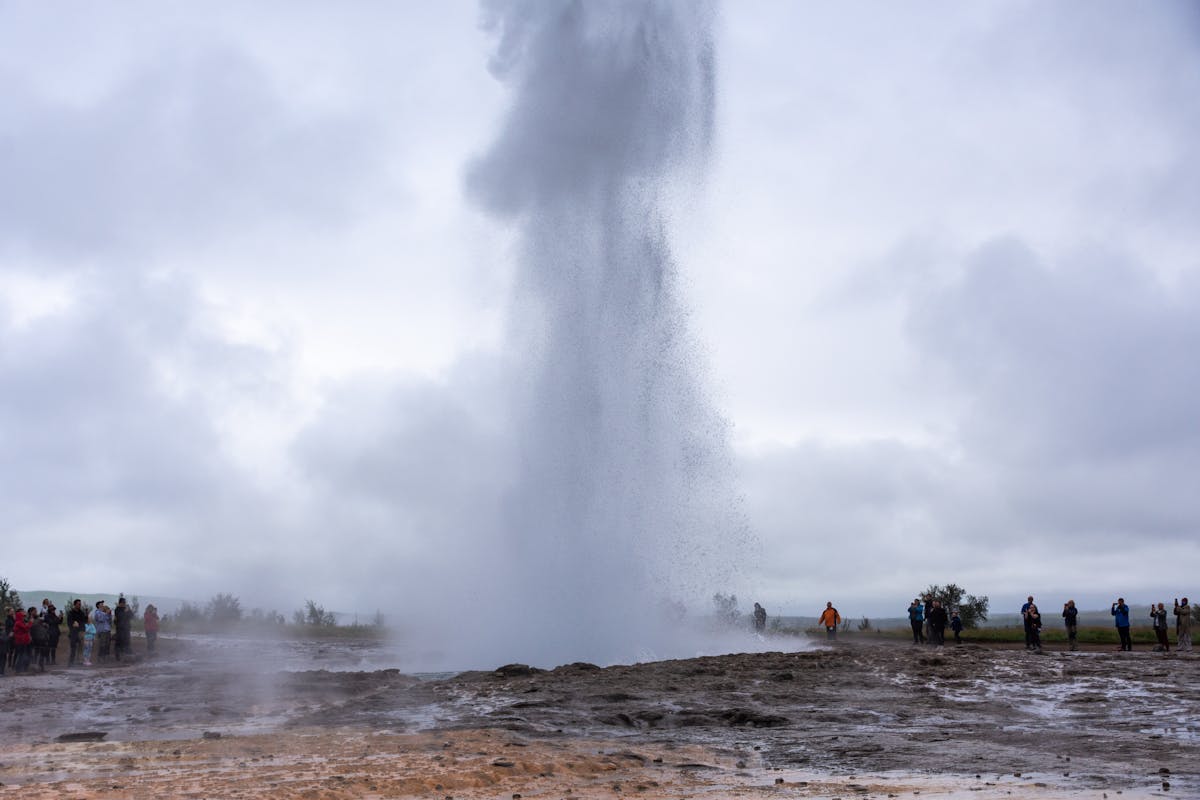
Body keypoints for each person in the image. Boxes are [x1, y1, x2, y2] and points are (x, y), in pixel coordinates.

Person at [67, 599, 88, 666]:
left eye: (80, 604)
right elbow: (69, 623)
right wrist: (74, 623)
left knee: (80, 647)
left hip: (81, 632)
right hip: (73, 632)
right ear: (75, 604)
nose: (80, 605)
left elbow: (84, 621)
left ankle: (79, 661)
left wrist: (86, 614)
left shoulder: (81, 612)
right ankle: (71, 662)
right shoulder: (71, 613)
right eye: (78, 604)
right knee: (73, 648)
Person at [12, 609, 32, 674]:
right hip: (20, 642)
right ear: (20, 616)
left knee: (23, 655)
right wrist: (30, 622)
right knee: (21, 655)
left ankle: (20, 669)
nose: (24, 617)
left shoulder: (20, 622)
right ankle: (18, 669)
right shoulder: (18, 623)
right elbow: (26, 628)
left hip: (23, 641)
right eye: (23, 616)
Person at [113, 597, 133, 661]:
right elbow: (120, 617)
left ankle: (126, 654)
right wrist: (126, 612)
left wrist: (129, 610)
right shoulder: (117, 609)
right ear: (120, 603)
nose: (124, 604)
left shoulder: (126, 609)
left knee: (127, 641)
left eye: (125, 603)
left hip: (126, 628)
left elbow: (132, 616)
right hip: (120, 628)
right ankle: (117, 656)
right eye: (123, 603)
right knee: (119, 642)